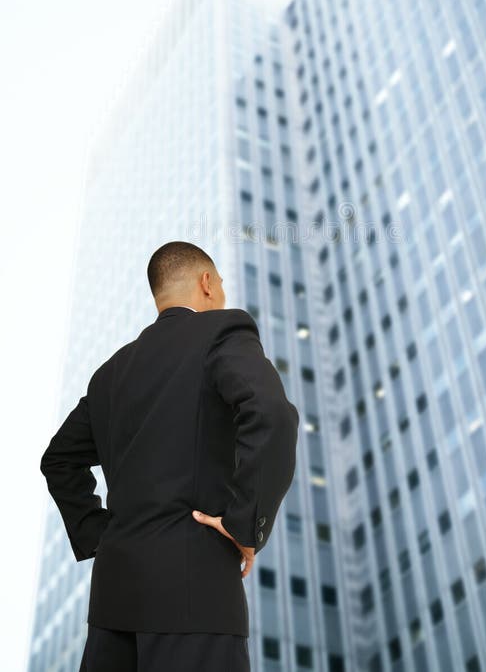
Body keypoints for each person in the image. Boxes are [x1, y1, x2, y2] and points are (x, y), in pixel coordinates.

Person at [40, 241, 300, 671]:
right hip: (194, 591)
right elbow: (271, 414)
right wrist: (244, 524)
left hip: (113, 600)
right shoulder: (222, 333)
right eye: (221, 283)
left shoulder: (111, 373)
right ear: (207, 283)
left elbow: (59, 459)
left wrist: (100, 533)